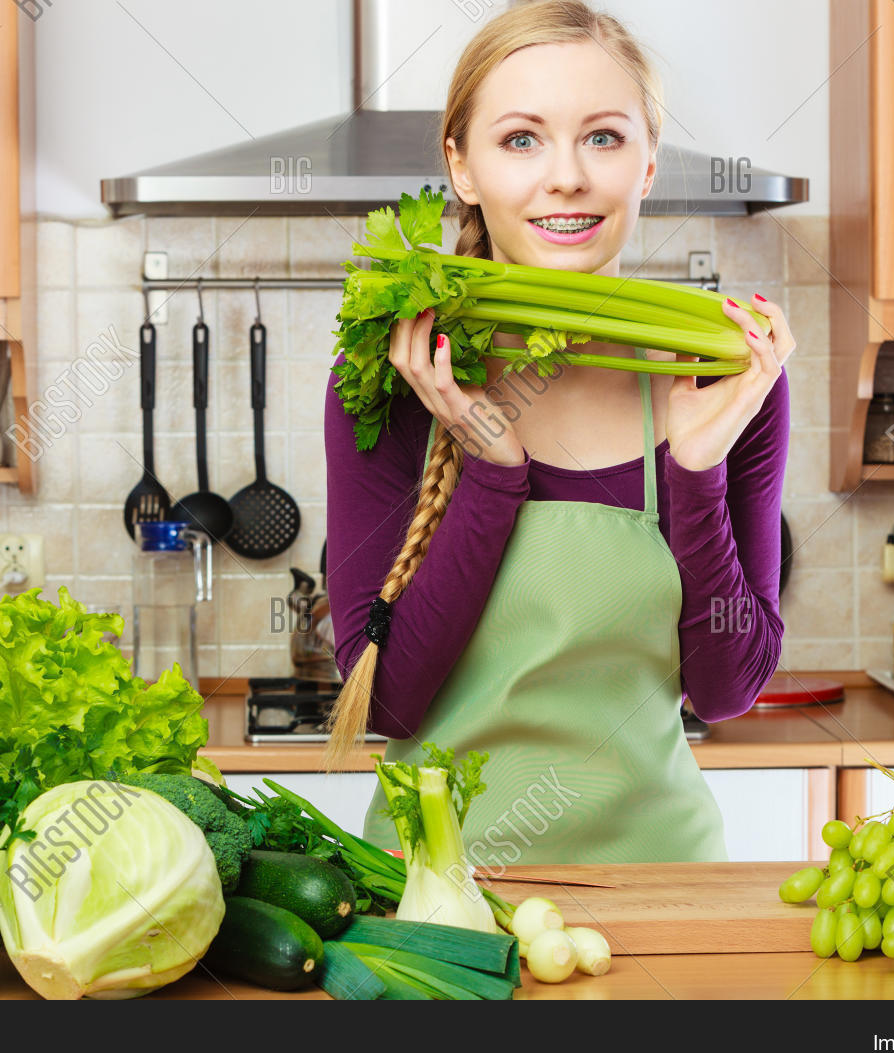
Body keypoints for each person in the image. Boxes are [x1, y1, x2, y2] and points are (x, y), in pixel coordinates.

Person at [322, 0, 793, 865]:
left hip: (664, 894)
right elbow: (385, 708)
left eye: (604, 138)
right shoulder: (397, 376)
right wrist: (492, 467)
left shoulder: (726, 371)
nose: (567, 177)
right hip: (436, 902)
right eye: (522, 139)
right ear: (461, 167)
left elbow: (728, 690)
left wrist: (695, 471)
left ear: (648, 163)